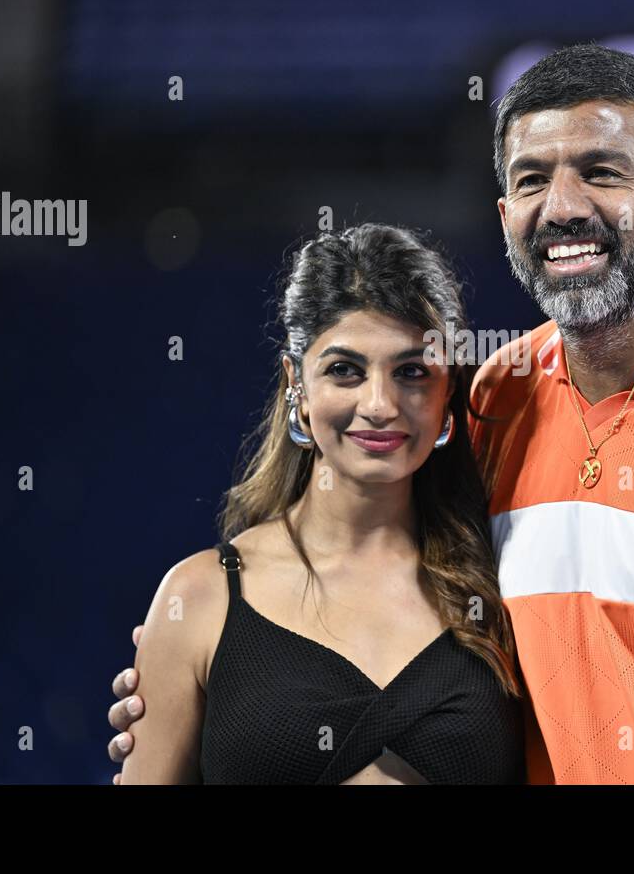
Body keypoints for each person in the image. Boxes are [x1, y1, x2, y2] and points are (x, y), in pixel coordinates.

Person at [112, 43, 634, 784]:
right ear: (504, 216)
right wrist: (207, 676)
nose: (562, 206)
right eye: (531, 179)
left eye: (600, 171)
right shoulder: (496, 400)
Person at [115, 223, 524, 784]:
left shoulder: (508, 588)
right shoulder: (200, 598)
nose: (379, 405)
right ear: (296, 386)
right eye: (344, 370)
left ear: (447, 389)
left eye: (410, 372)